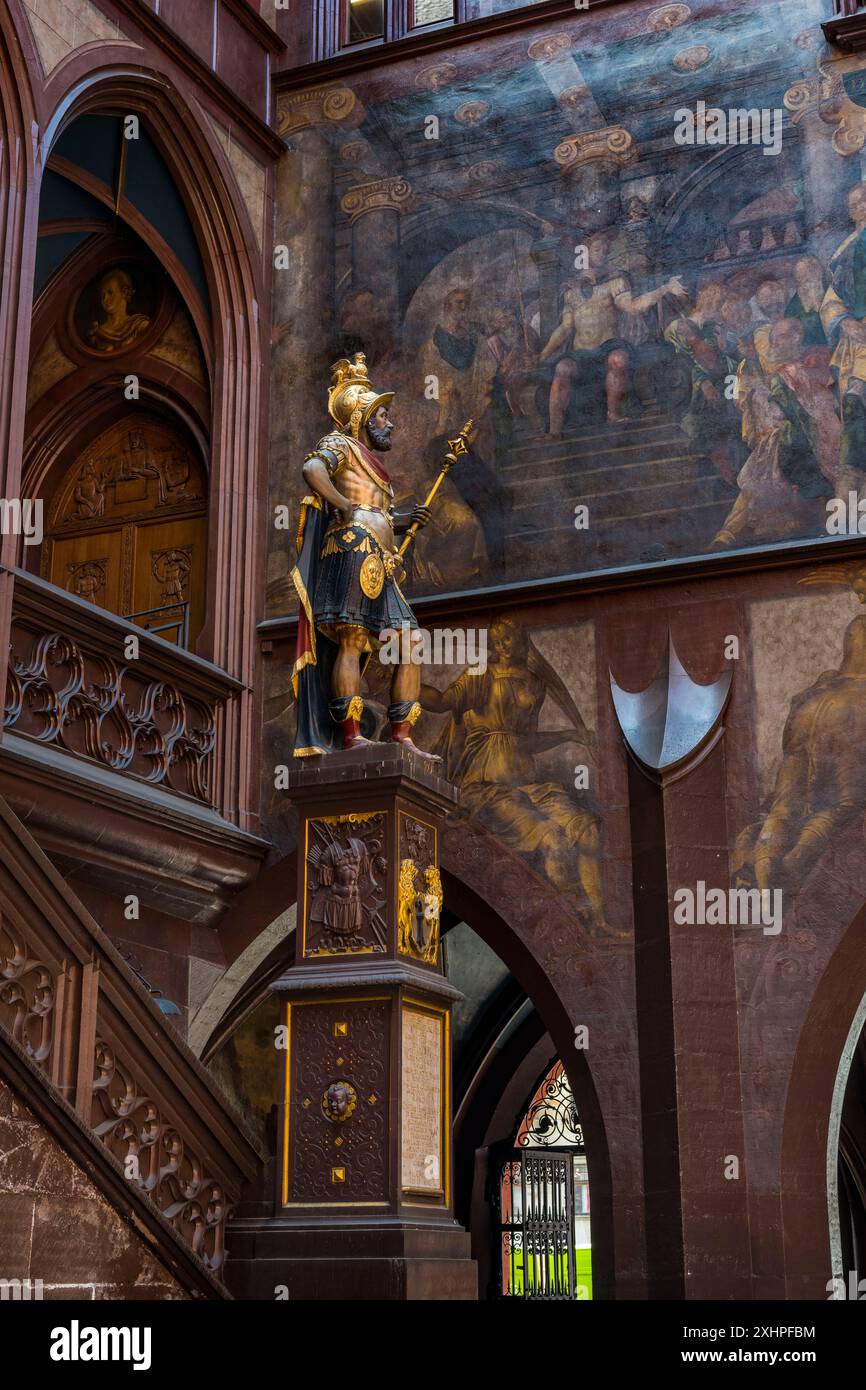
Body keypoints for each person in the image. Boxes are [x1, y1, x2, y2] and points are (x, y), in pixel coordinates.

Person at [290, 352, 436, 757]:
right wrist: (341, 504)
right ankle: (351, 735)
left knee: (409, 640)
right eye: (382, 415)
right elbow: (313, 470)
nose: (390, 423)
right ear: (361, 417)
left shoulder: (375, 469)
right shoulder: (340, 444)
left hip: (381, 560)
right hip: (352, 549)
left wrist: (404, 522)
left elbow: (378, 512)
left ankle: (402, 736)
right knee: (352, 637)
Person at [539, 229, 686, 434]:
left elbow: (633, 307)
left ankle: (613, 414)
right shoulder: (571, 289)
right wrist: (543, 355)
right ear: (585, 253)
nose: (602, 253)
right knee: (562, 368)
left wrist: (664, 289)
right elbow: (565, 328)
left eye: (605, 250)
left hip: (609, 346)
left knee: (618, 359)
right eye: (597, 249)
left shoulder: (615, 281)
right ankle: (554, 431)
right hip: (581, 353)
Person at [821, 182, 866, 478]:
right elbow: (831, 299)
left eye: (865, 200)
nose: (861, 207)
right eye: (855, 204)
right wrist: (845, 322)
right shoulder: (845, 249)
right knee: (853, 401)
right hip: (856, 337)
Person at [87, 268, 150, 353]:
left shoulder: (140, 325)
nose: (105, 299)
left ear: (124, 292)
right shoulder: (96, 334)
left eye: (110, 292)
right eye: (102, 295)